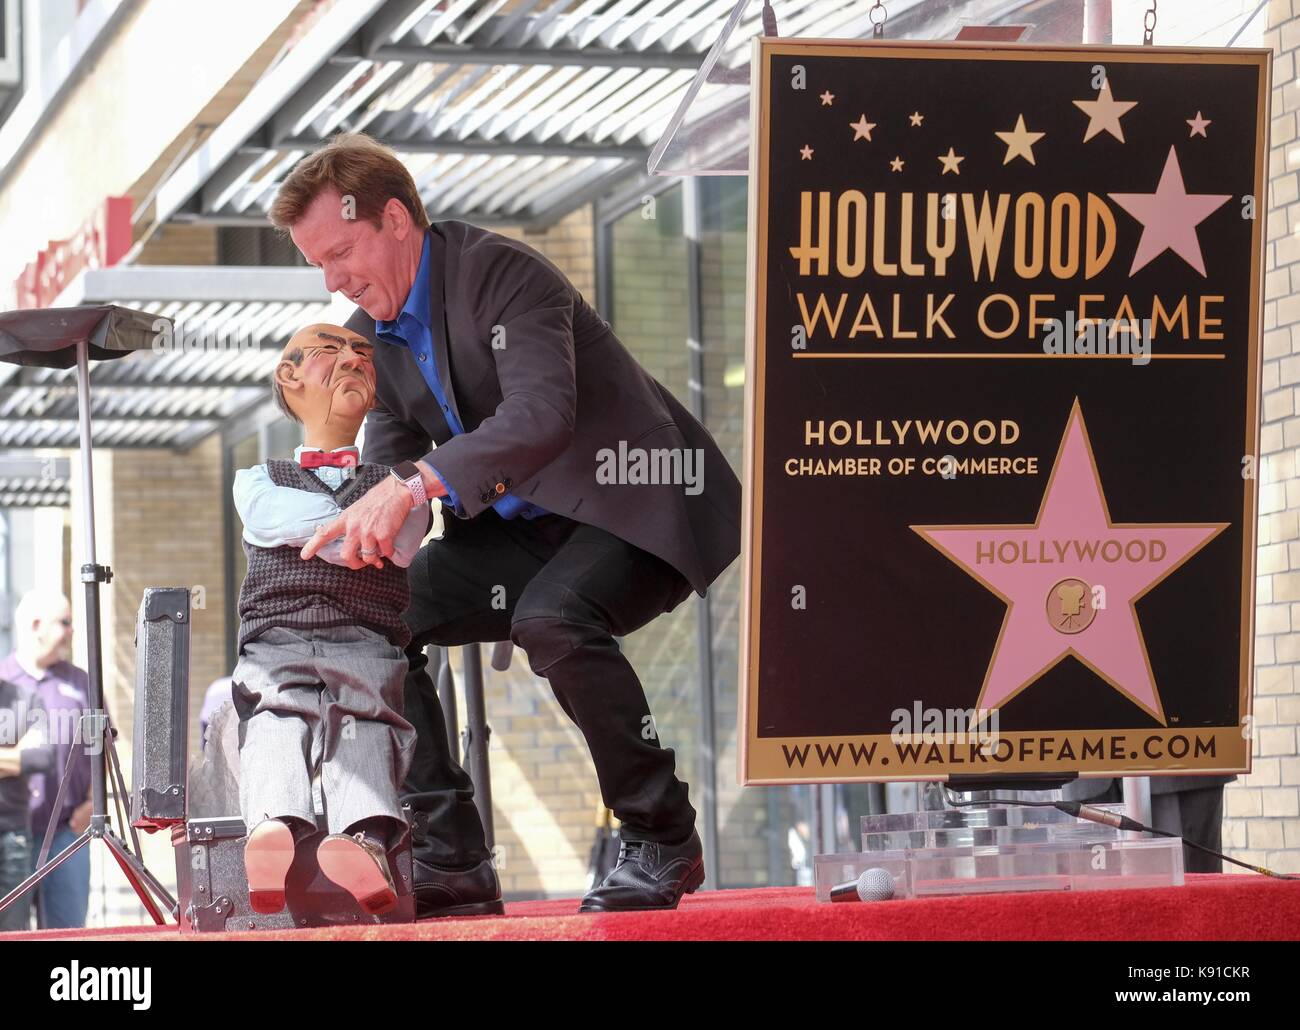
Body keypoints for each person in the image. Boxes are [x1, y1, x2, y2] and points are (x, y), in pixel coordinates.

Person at [270, 133, 741, 914]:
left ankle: (661, 835)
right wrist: (357, 550)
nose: (333, 278)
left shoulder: (501, 272)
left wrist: (415, 487)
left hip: (634, 501)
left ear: (395, 219)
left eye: (342, 251)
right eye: (317, 263)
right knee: (372, 616)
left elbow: (540, 415)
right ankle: (450, 857)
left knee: (551, 618)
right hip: (525, 530)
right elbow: (392, 478)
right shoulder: (372, 334)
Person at [231, 322, 426, 915]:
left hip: (365, 634)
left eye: (363, 352)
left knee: (365, 721)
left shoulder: (403, 486)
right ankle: (272, 828)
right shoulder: (256, 479)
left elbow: (399, 536)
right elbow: (282, 521)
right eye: (329, 349)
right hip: (276, 635)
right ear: (288, 377)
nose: (352, 359)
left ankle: (359, 840)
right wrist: (364, 525)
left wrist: (337, 528)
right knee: (274, 715)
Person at [0, 590, 91, 929]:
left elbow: (99, 748)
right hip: (12, 830)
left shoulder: (80, 681)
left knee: (67, 933)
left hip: (68, 832)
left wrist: (93, 803)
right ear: (37, 625)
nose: (71, 631)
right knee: (12, 931)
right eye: (64, 622)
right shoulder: (4, 680)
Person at [0, 671, 53, 931]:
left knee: (13, 930)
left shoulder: (24, 699)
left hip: (13, 835)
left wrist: (24, 758)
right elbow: (25, 758)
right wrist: (14, 755)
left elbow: (42, 758)